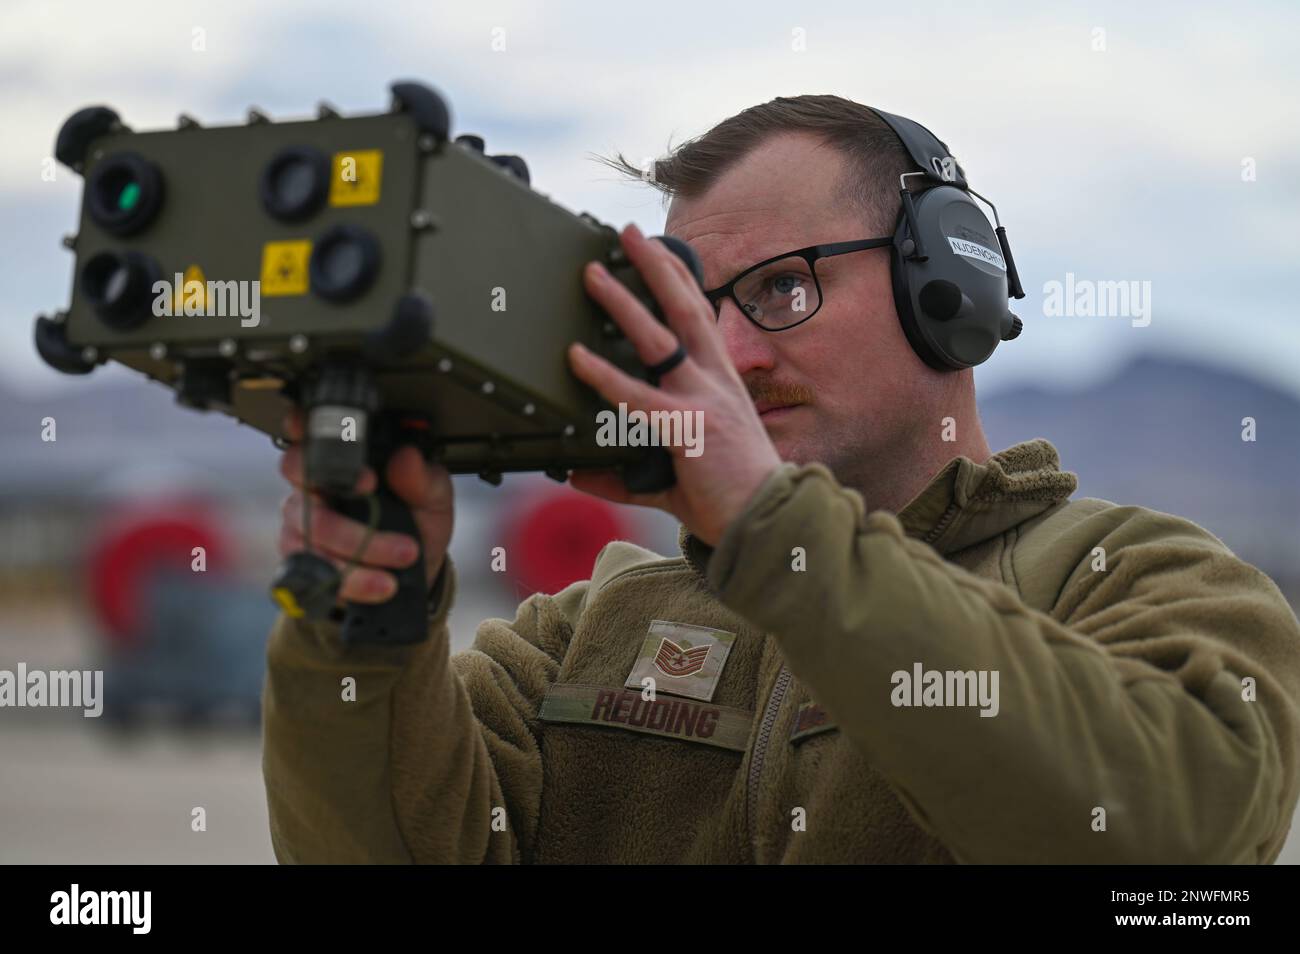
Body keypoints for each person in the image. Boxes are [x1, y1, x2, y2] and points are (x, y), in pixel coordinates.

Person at [262, 94, 1300, 863]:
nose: (726, 354)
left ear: (949, 286)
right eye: (688, 305)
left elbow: (1164, 842)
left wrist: (770, 528)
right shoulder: (588, 631)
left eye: (781, 288)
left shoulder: (1146, 585)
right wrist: (367, 623)